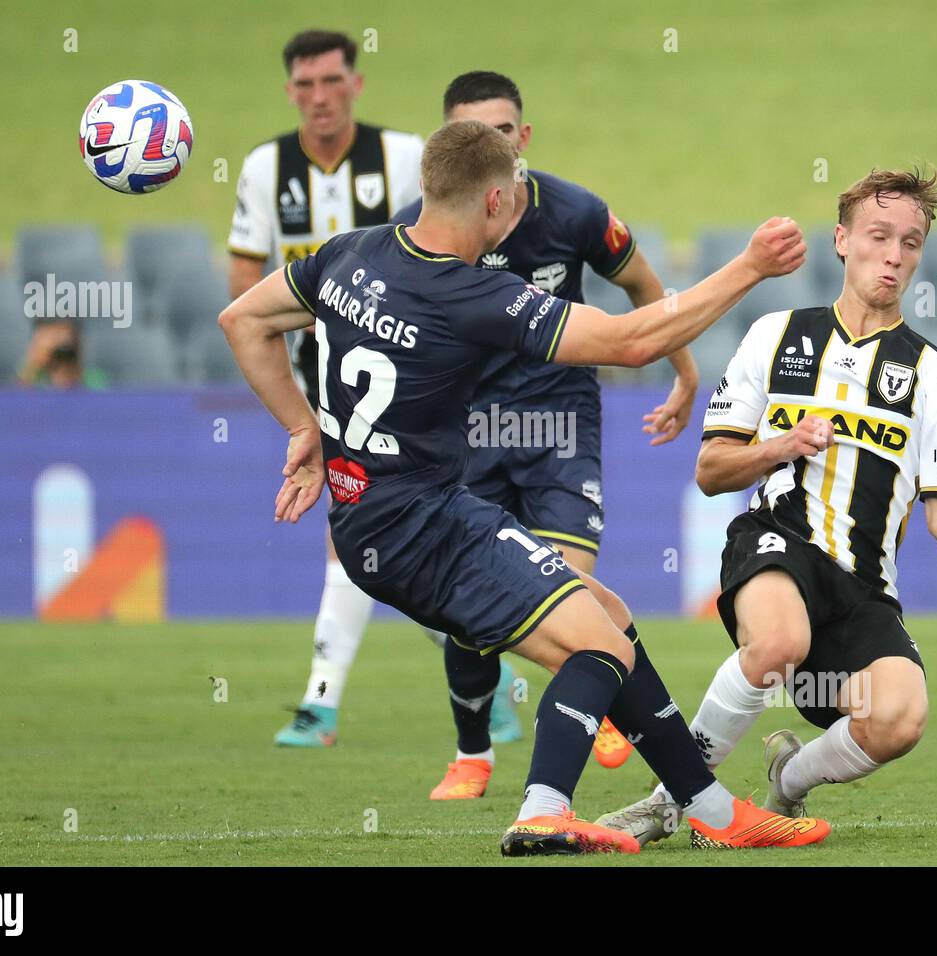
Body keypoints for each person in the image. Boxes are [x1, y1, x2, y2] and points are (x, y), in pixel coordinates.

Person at [220, 119, 830, 855]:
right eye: (513, 199)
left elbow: (243, 318)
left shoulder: (354, 253)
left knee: (608, 614)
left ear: (425, 187)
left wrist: (302, 429)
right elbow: (632, 341)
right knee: (599, 652)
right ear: (496, 204)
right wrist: (750, 267)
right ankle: (542, 810)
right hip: (422, 528)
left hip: (376, 518)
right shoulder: (475, 295)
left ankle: (712, 809)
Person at [596, 167, 937, 846]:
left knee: (901, 718)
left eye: (910, 242)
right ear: (842, 241)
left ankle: (788, 780)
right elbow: (710, 469)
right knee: (781, 642)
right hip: (776, 543)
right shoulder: (775, 335)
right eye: (879, 236)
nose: (895, 255)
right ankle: (670, 799)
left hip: (863, 588)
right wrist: (780, 445)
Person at [385, 71, 698, 798]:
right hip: (468, 431)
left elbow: (646, 288)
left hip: (560, 423)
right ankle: (473, 753)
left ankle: (589, 674)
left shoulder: (575, 212)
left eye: (503, 130)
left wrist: (683, 374)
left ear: (523, 137)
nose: (492, 144)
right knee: (470, 617)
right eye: (473, 133)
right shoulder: (425, 229)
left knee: (569, 583)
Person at [225, 29, 424, 747]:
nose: (319, 97)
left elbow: (435, 254)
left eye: (331, 81)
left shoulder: (402, 159)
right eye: (305, 85)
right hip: (325, 384)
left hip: (405, 371)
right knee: (368, 531)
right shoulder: (263, 168)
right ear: (290, 92)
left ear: (355, 84)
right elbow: (245, 286)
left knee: (390, 531)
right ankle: (326, 702)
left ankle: (328, 703)